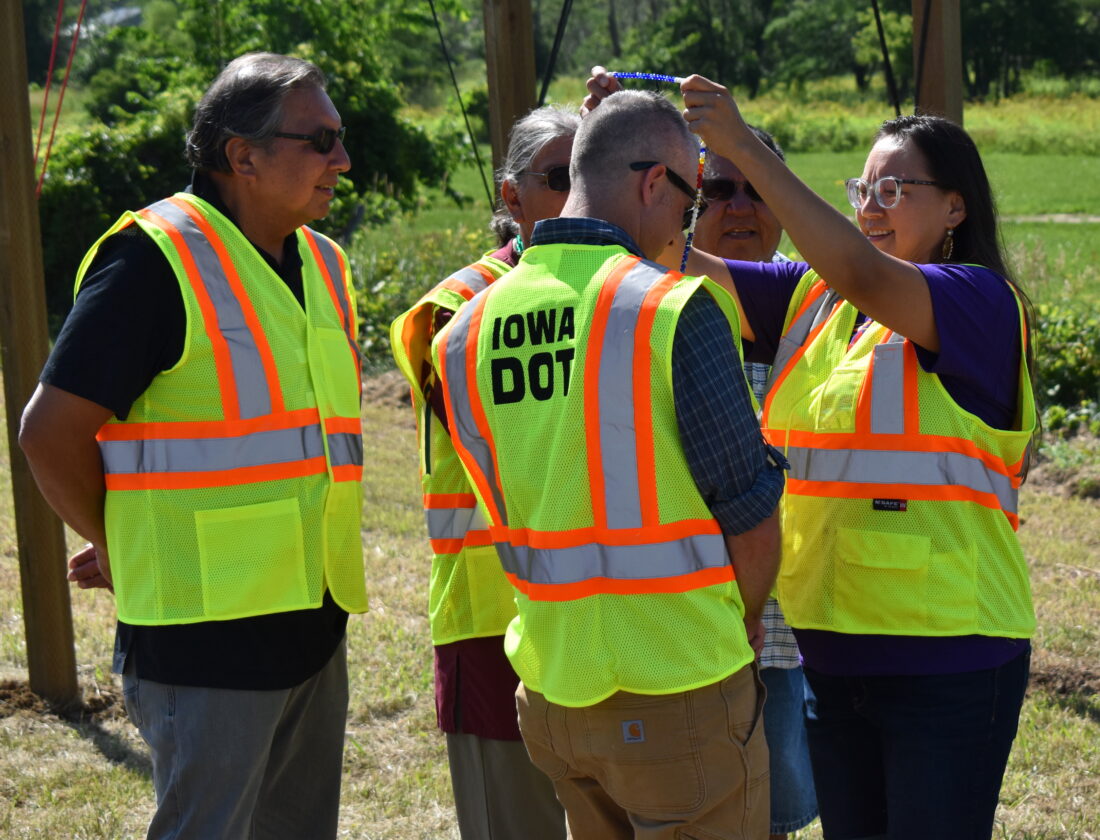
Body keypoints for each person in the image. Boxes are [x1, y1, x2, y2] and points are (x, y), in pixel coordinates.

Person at [20, 52, 367, 840]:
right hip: (205, 644)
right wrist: (117, 540)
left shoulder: (324, 262)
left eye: (340, 139)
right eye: (320, 141)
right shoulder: (154, 258)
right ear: (241, 156)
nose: (342, 159)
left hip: (315, 624)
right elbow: (48, 433)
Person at [680, 75, 1037, 840]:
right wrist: (624, 148)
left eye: (894, 189)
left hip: (950, 661)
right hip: (830, 656)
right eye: (862, 189)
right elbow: (674, 262)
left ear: (956, 207)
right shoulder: (812, 300)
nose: (870, 206)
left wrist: (741, 143)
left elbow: (868, 275)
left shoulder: (980, 301)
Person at [433, 89, 787, 840]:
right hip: (681, 683)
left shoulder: (464, 331)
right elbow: (749, 513)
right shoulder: (671, 307)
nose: (684, 230)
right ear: (655, 182)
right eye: (690, 205)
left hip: (553, 692)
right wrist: (748, 619)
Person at [585, 68, 818, 840]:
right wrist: (610, 140)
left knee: (776, 813)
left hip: (789, 631)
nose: (741, 208)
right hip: (692, 638)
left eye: (758, 189)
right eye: (715, 191)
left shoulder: (807, 302)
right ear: (678, 195)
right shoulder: (647, 303)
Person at [389, 105, 577, 840]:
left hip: (614, 615)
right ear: (512, 197)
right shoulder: (453, 309)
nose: (582, 194)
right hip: (494, 617)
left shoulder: (637, 290)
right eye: (561, 178)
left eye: (595, 173)